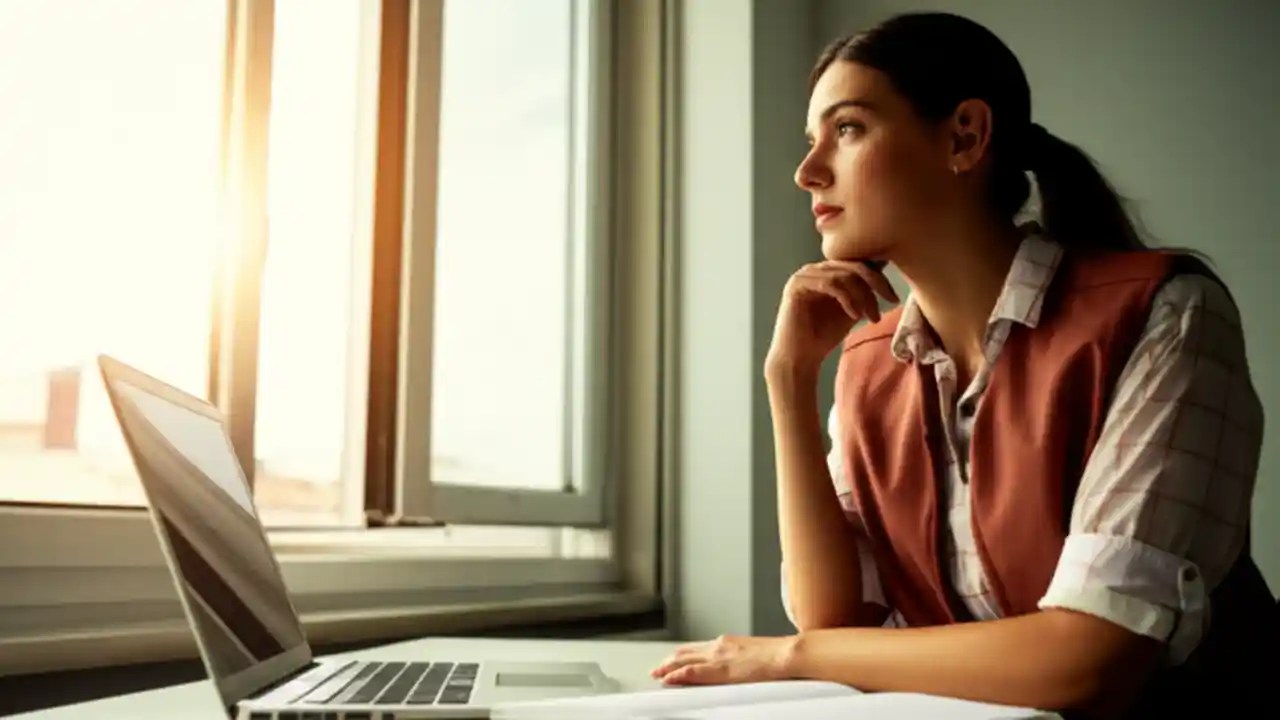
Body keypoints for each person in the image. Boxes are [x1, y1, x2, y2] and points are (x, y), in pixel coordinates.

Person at [650, 11, 1276, 719]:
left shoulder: (1167, 313)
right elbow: (832, 614)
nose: (807, 170)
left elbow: (1089, 660)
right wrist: (788, 381)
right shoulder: (867, 362)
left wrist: (787, 657)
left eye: (847, 128)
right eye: (811, 138)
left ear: (964, 136)